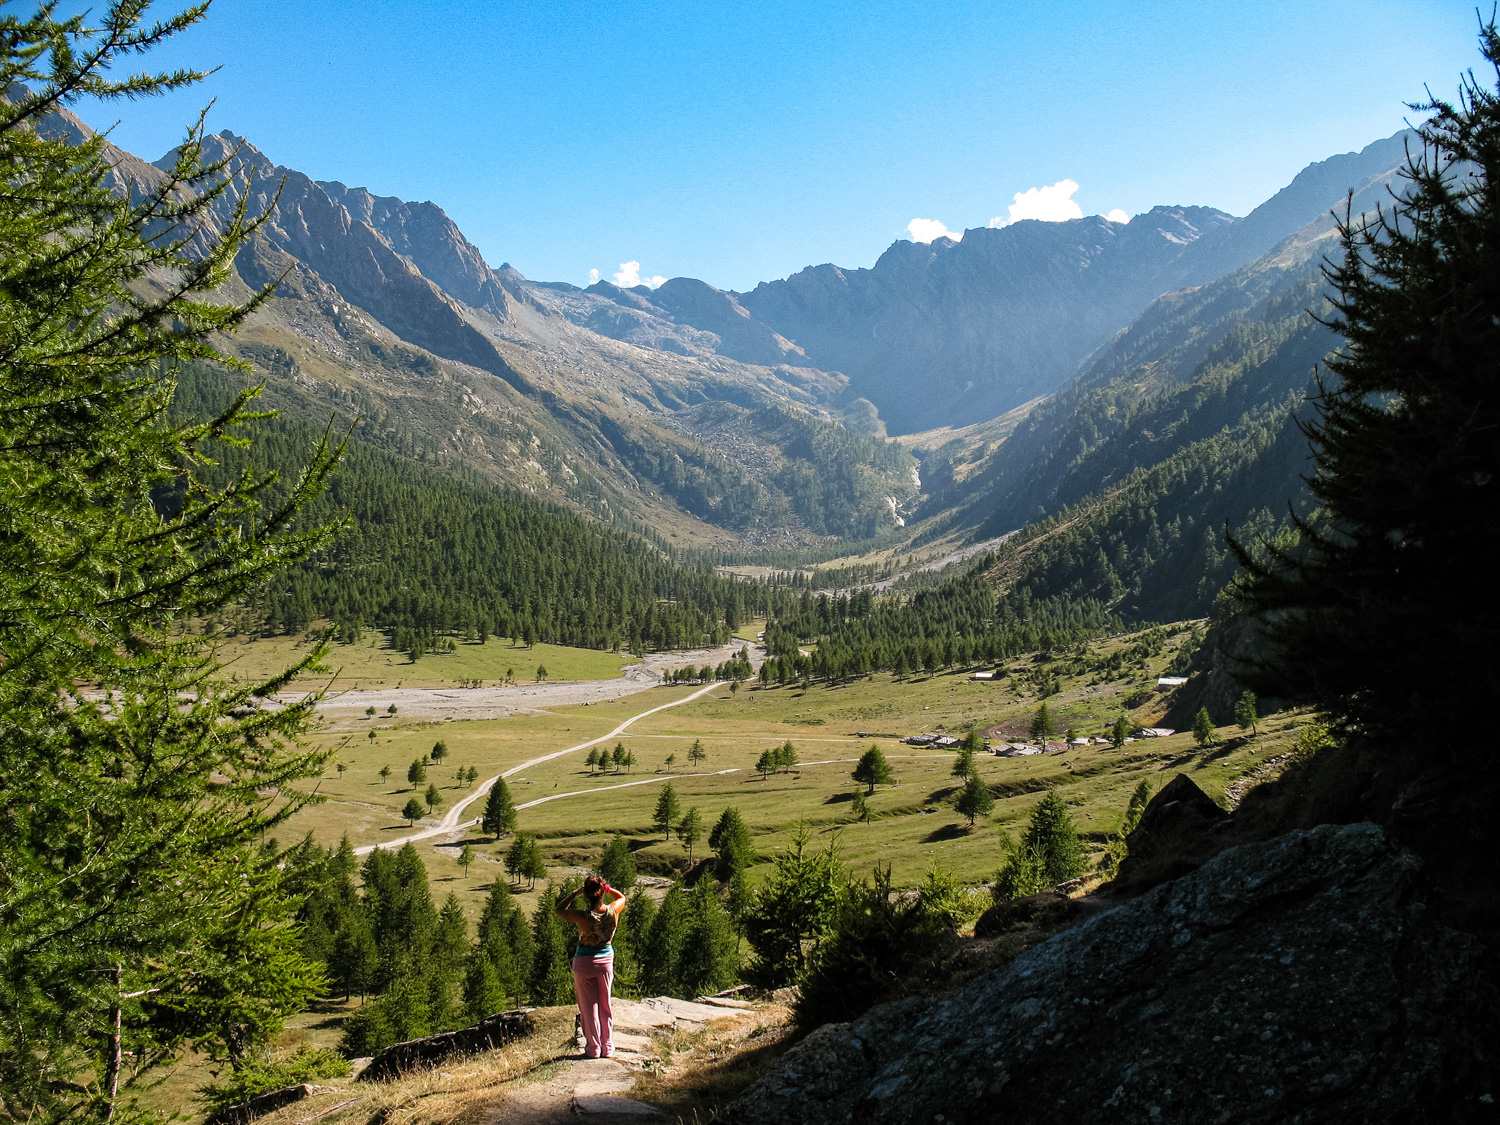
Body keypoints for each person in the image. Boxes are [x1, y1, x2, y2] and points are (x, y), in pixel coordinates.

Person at [556, 875, 626, 1058]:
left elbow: (559, 910)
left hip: (583, 963)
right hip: (605, 962)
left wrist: (573, 894)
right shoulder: (612, 912)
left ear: (586, 895)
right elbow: (622, 898)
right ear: (602, 892)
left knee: (588, 1007)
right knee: (605, 1004)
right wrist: (609, 889)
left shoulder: (582, 916)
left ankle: (593, 1048)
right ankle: (608, 1046)